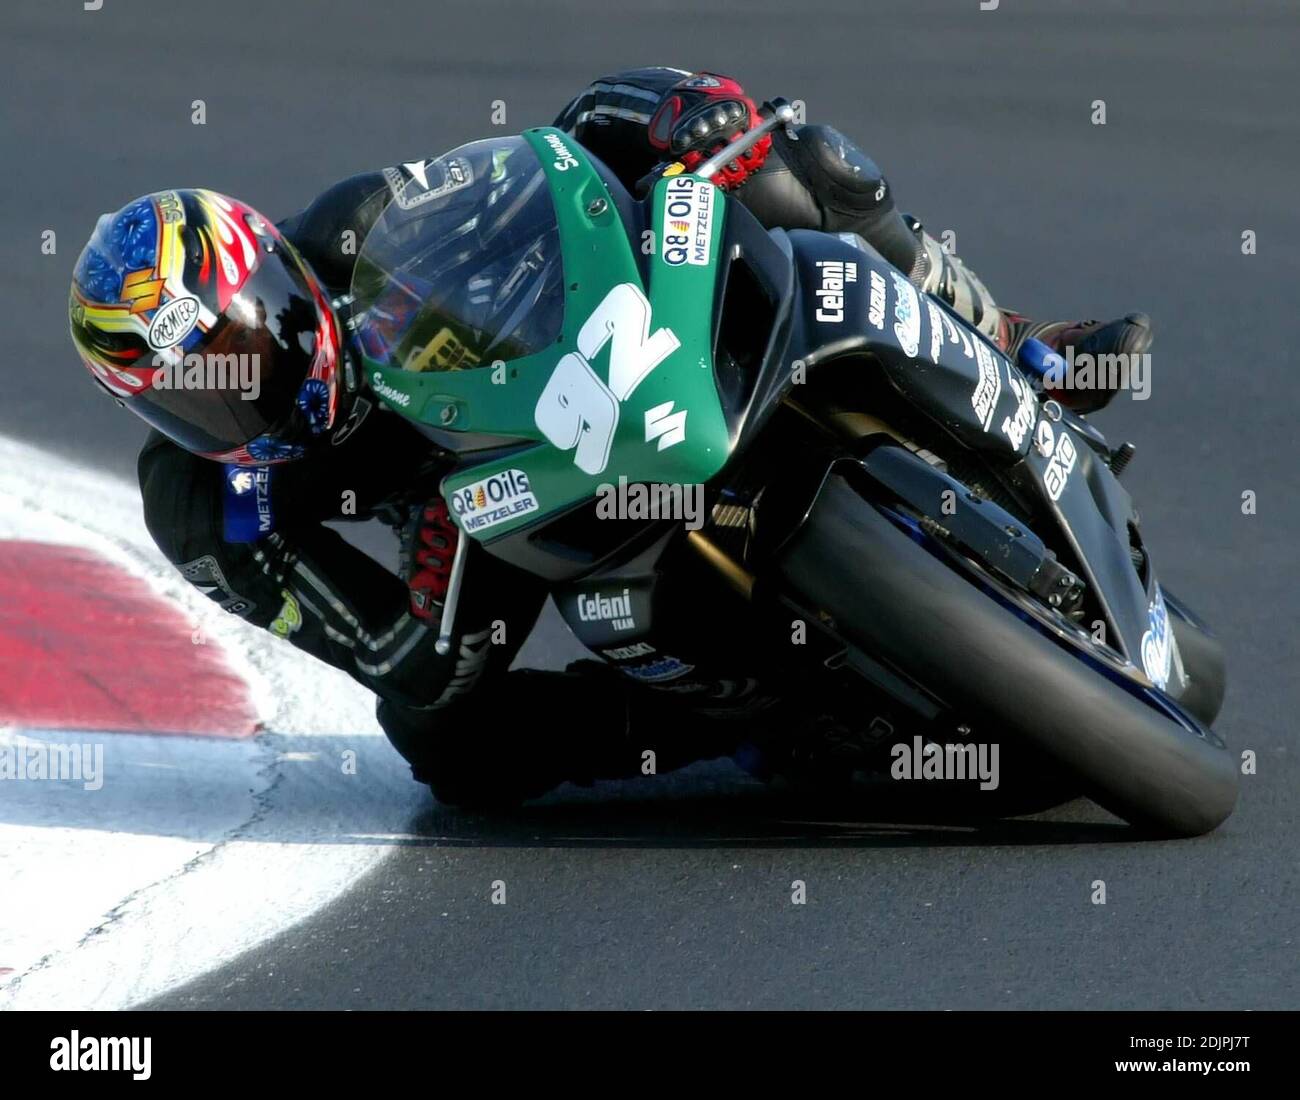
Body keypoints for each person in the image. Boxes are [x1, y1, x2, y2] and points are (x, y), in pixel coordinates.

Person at [67, 69, 1151, 807]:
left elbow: (556, 165)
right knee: (446, 751)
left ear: (278, 272)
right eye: (199, 396)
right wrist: (436, 560)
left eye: (254, 346)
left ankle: (1009, 341)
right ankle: (737, 730)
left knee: (799, 156)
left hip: (567, 381)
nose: (246, 394)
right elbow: (394, 658)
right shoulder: (208, 511)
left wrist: (675, 117)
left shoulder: (356, 228)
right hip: (474, 533)